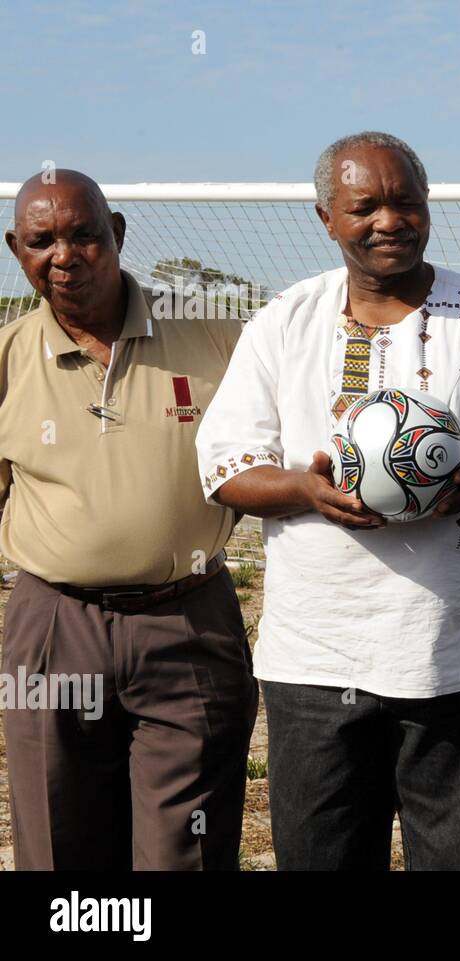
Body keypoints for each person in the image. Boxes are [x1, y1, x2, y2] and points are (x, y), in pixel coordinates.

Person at [195, 132, 460, 870]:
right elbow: (225, 464)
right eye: (364, 206)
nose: (389, 220)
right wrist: (306, 489)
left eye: (406, 201)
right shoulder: (285, 321)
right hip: (317, 658)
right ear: (326, 218)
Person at [0, 170, 256, 869]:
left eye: (84, 234)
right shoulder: (9, 355)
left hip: (189, 621)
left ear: (116, 232)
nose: (64, 254)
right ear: (15, 248)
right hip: (54, 627)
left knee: (188, 848)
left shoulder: (212, 332)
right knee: (62, 846)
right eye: (41, 240)